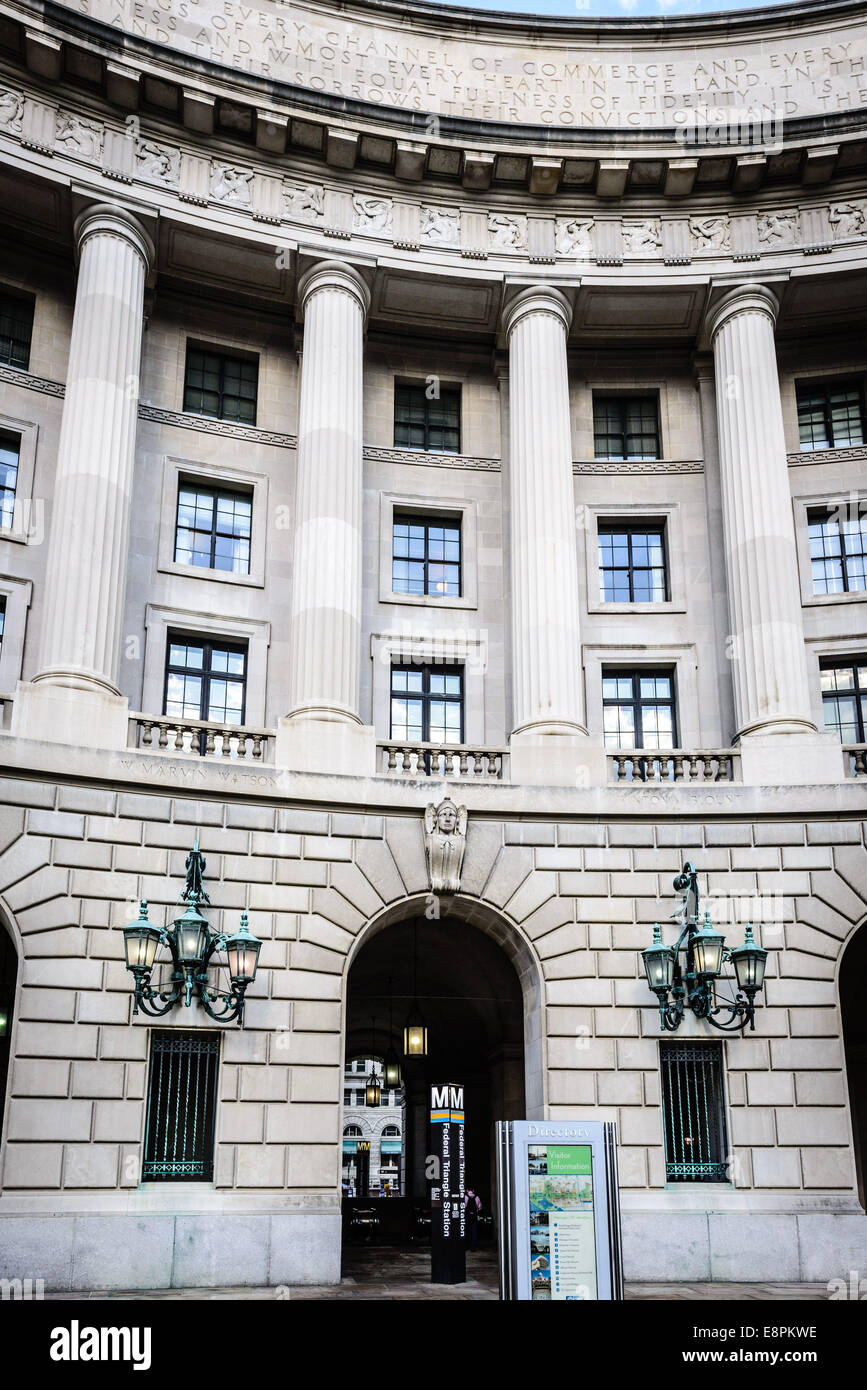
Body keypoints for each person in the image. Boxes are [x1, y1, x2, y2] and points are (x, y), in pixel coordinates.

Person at [465, 1187, 482, 1251]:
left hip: (467, 1216)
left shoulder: (465, 1197)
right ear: (473, 1190)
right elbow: (479, 1207)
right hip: (474, 1216)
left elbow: (463, 1206)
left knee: (466, 1231)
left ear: (467, 1190)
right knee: (474, 1232)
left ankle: (466, 1246)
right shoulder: (477, 1197)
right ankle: (473, 1248)